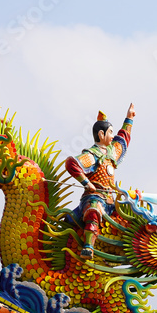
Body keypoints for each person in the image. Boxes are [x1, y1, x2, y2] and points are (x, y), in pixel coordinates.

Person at [65, 104, 135, 257]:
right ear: (101, 135)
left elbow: (122, 139)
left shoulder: (111, 153)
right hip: (94, 197)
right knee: (94, 211)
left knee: (130, 213)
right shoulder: (93, 154)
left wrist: (129, 119)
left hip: (110, 199)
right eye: (110, 132)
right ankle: (88, 246)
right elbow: (72, 163)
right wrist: (86, 183)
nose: (112, 135)